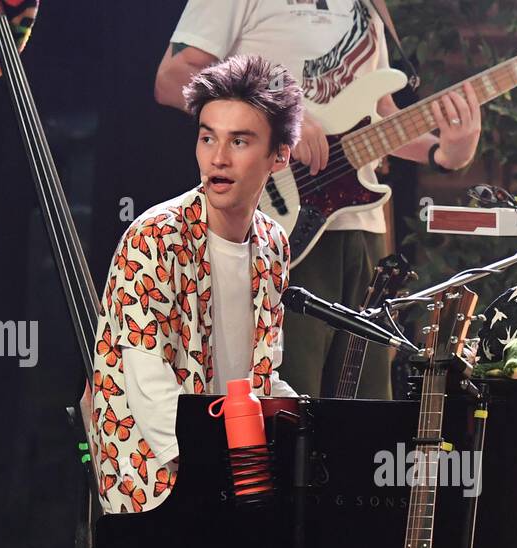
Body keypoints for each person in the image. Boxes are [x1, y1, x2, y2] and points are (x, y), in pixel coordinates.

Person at [85, 53, 305, 548]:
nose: (218, 156)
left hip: (231, 488)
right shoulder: (154, 239)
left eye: (241, 141)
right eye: (209, 137)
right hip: (161, 493)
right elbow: (148, 395)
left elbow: (264, 375)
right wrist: (228, 486)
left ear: (278, 156)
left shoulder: (273, 247)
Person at [154, 0, 482, 399]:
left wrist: (444, 153)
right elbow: (173, 77)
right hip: (273, 224)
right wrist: (276, 113)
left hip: (362, 227)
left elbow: (379, 115)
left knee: (365, 414)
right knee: (284, 407)